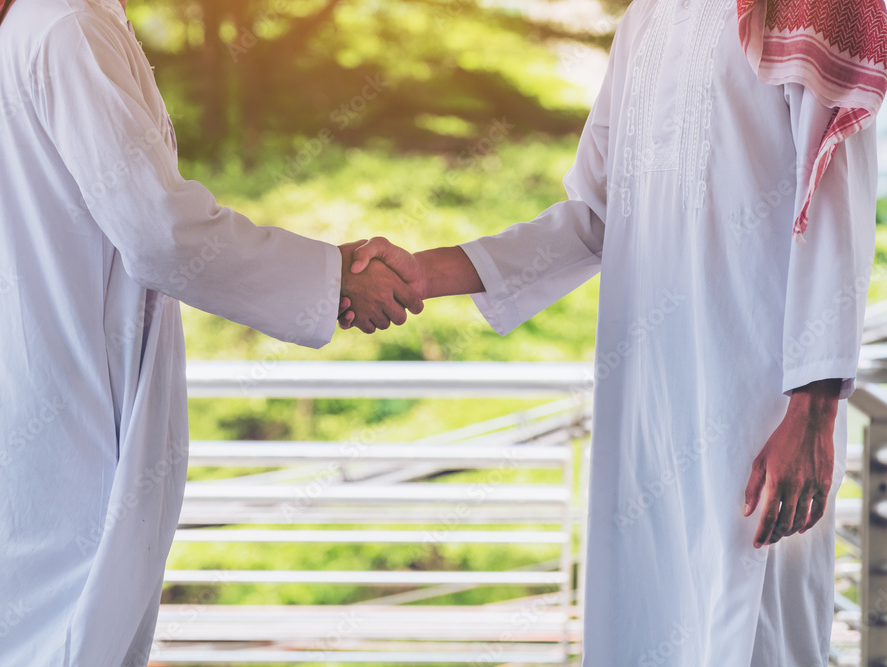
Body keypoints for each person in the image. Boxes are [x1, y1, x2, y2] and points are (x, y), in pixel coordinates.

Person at [341, 0, 887, 664]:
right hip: (647, 412)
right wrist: (427, 272)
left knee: (756, 632)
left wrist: (814, 406)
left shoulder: (816, 7)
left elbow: (834, 201)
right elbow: (594, 218)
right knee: (648, 625)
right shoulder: (646, 19)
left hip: (758, 417)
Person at [0, 0, 421, 664]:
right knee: (54, 633)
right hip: (62, 422)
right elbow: (159, 233)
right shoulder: (69, 26)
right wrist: (334, 278)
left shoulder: (42, 18)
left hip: (26, 398)